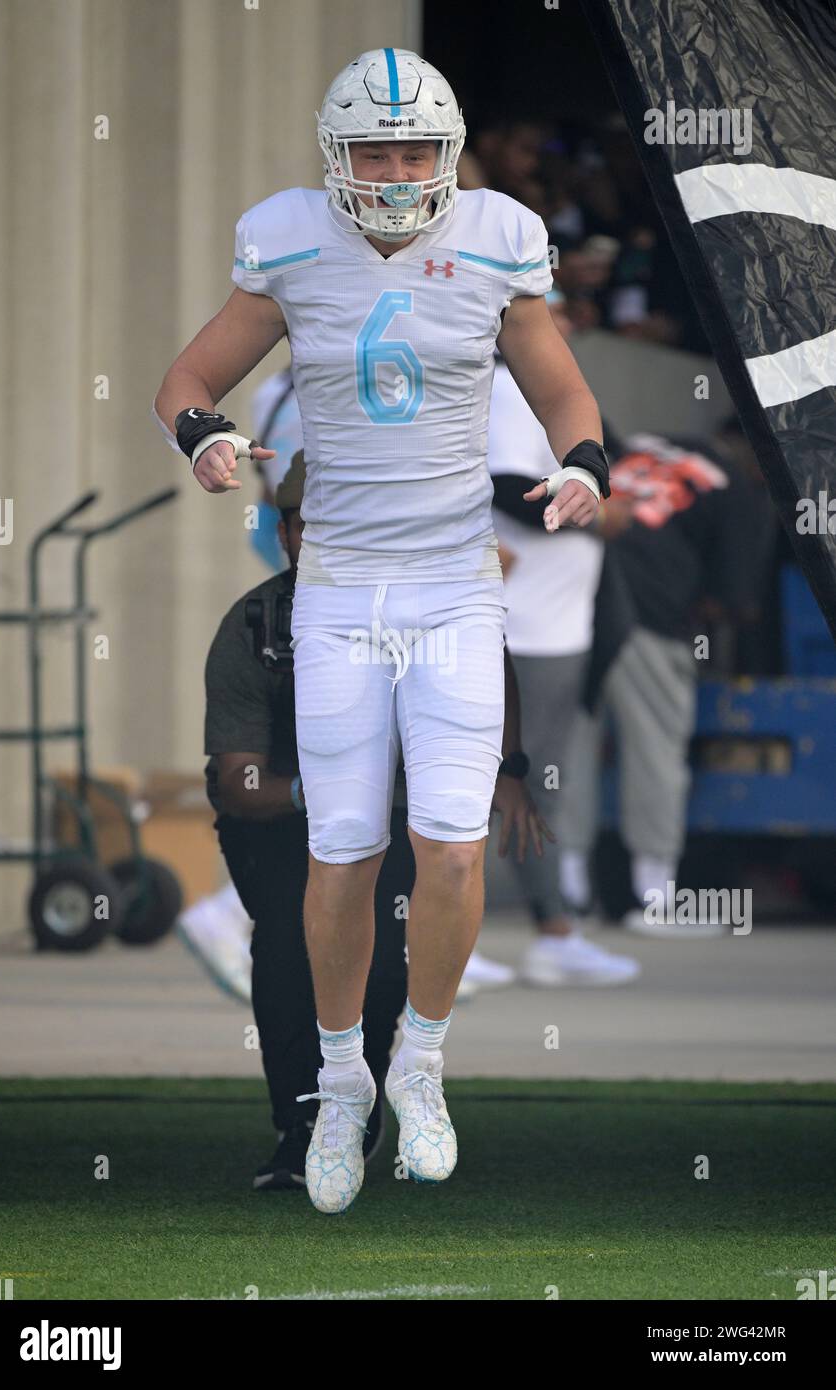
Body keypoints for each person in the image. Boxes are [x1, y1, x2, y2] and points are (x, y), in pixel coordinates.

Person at [153, 48, 609, 1214]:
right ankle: (343, 1078)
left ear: (447, 155)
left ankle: (420, 1059)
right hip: (342, 585)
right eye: (376, 151)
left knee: (452, 847)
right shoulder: (291, 238)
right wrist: (202, 435)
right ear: (335, 157)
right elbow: (191, 374)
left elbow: (559, 383)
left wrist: (580, 462)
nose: (399, 171)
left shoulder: (498, 235)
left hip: (454, 580)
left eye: (416, 150)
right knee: (342, 851)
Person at [202, 450, 548, 1191]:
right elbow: (239, 781)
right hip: (278, 824)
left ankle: (388, 1086)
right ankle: (306, 1120)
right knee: (290, 952)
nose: (314, 537)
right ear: (286, 532)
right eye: (300, 525)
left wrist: (508, 774)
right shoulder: (255, 623)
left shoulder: (432, 605)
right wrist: (328, 794)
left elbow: (490, 659)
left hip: (390, 813)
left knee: (388, 956)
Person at [488, 289, 639, 985]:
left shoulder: (543, 390)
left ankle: (547, 931)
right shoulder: (500, 386)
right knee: (521, 785)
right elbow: (503, 484)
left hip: (556, 623)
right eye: (554, 307)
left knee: (533, 784)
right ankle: (548, 935)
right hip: (527, 627)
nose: (572, 320)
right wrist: (595, 512)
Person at [557, 431, 758, 937]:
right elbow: (732, 599)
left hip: (572, 597)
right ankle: (656, 898)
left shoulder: (635, 444)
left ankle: (565, 897)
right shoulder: (737, 485)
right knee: (655, 751)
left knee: (567, 748)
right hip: (648, 616)